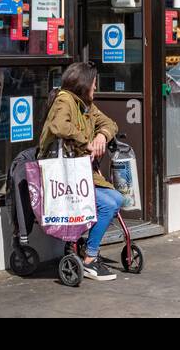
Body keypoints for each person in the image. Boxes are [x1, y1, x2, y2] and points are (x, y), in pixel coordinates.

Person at [38, 62, 122, 281]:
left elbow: (110, 123)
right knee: (109, 204)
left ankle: (87, 249)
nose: (96, 87)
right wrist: (87, 142)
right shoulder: (65, 100)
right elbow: (58, 126)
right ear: (84, 83)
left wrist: (102, 136)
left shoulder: (86, 105)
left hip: (80, 173)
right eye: (94, 82)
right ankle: (89, 259)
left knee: (117, 198)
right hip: (63, 175)